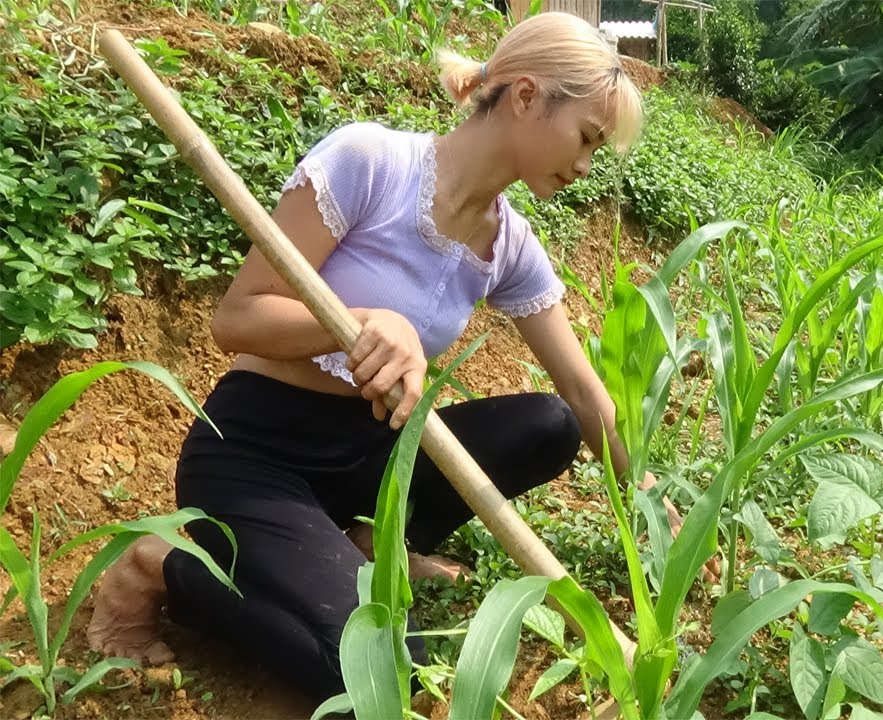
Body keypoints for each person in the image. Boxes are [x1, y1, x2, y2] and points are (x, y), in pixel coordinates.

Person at [86, 12, 709, 704]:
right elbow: (235, 320)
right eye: (587, 137)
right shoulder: (372, 164)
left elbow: (582, 391)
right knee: (382, 668)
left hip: (373, 457)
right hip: (258, 455)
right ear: (527, 96)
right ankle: (162, 567)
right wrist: (357, 323)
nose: (586, 164)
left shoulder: (511, 247)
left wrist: (642, 495)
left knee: (551, 424)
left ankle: (361, 540)